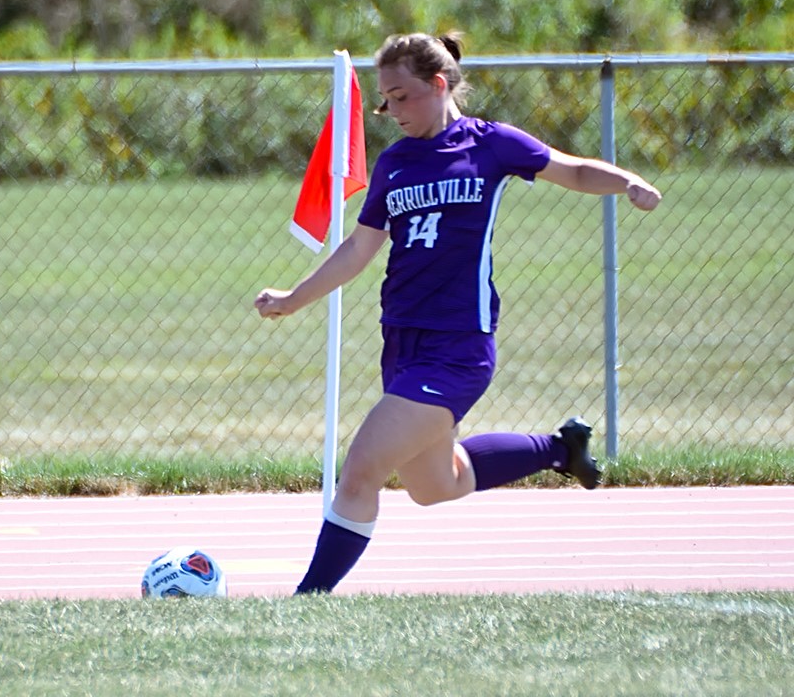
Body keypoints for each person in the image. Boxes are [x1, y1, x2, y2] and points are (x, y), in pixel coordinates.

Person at [254, 32, 662, 595]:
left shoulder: (489, 144)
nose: (392, 111)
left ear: (438, 85)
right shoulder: (394, 163)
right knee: (436, 484)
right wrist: (292, 298)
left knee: (361, 470)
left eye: (401, 97)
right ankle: (559, 448)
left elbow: (571, 171)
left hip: (458, 348)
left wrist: (627, 182)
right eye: (384, 101)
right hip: (402, 343)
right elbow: (358, 248)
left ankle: (306, 602)